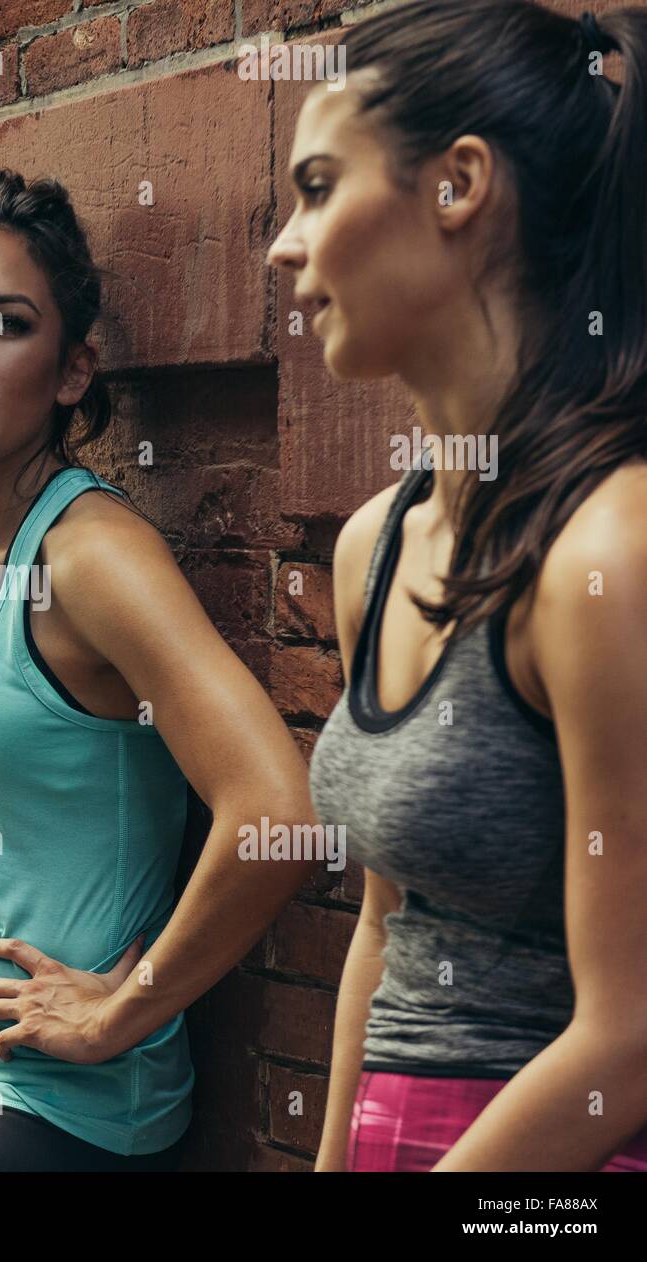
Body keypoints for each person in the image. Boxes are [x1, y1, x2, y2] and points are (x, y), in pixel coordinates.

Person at [0, 169, 320, 1171]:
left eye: (7, 324)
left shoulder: (87, 556)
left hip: (71, 1101)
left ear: (72, 371)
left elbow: (274, 810)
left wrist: (123, 1007)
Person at [268, 0, 647, 1171]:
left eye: (320, 185)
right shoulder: (372, 547)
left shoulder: (607, 553)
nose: (284, 242)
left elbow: (629, 1036)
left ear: (458, 185)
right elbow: (384, 923)